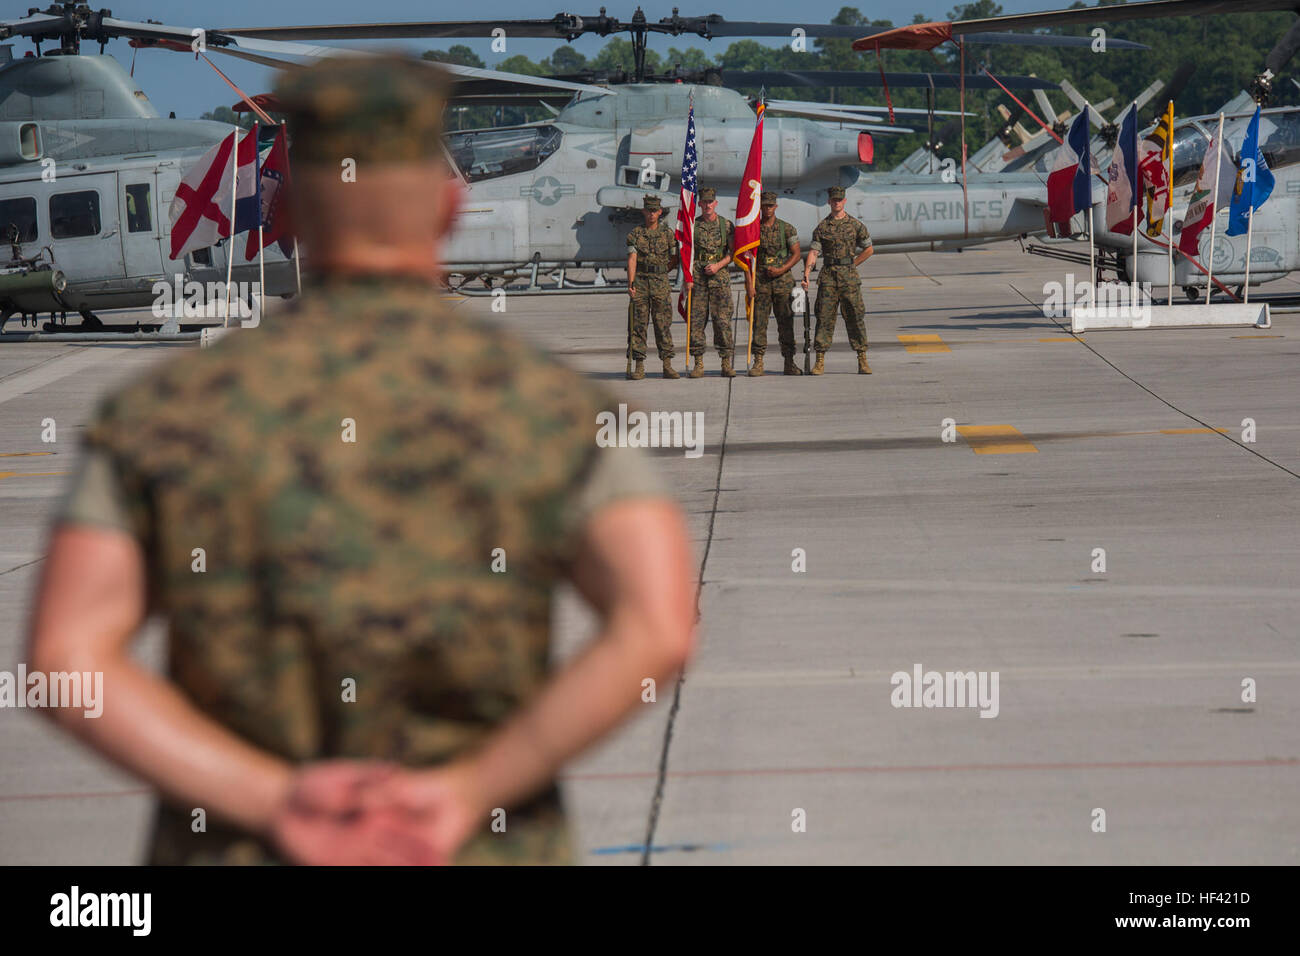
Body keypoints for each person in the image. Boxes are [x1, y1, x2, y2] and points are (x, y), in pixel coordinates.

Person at [26, 54, 696, 867]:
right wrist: (464, 792)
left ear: (288, 207)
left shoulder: (163, 417)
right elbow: (656, 629)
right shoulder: (551, 411)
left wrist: (275, 802)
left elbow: (64, 660)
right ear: (450, 201)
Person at [801, 185, 874, 375]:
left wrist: (853, 264)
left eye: (839, 200)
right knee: (824, 318)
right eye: (834, 200)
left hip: (849, 279)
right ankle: (819, 360)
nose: (837, 203)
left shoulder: (856, 225)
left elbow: (868, 249)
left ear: (845, 201)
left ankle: (862, 359)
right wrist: (807, 274)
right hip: (828, 278)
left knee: (855, 318)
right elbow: (814, 252)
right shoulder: (822, 227)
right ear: (829, 202)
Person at [625, 194, 679, 380]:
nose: (651, 214)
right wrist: (631, 282)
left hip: (660, 283)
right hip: (640, 281)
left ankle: (667, 365)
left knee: (662, 324)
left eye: (654, 210)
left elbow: (674, 258)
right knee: (638, 325)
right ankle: (639, 366)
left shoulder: (667, 234)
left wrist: (662, 271)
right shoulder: (635, 234)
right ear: (643, 211)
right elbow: (632, 259)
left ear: (660, 212)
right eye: (648, 210)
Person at [749, 192, 802, 376]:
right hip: (761, 282)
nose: (768, 208)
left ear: (776, 207)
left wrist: (781, 269)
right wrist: (750, 283)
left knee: (786, 323)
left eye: (771, 205)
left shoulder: (786, 229)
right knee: (759, 323)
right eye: (765, 205)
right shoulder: (754, 228)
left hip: (782, 283)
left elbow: (796, 254)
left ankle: (789, 361)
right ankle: (758, 361)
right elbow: (747, 257)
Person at [687, 186, 737, 378]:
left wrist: (718, 265)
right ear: (699, 204)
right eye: (704, 202)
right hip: (698, 278)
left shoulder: (726, 225)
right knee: (696, 322)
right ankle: (698, 363)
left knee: (722, 321)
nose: (707, 205)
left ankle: (726, 362)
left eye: (710, 202)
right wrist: (688, 278)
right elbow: (686, 253)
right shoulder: (692, 225)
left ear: (715, 203)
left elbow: (732, 253)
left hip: (719, 278)